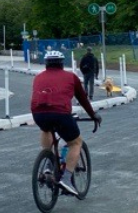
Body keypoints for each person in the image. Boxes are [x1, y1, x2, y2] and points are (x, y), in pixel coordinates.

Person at [32, 50, 101, 196]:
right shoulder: (70, 77)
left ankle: (48, 162)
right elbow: (82, 99)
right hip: (61, 113)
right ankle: (67, 179)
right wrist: (93, 115)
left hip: (38, 113)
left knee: (46, 129)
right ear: (62, 63)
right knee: (76, 143)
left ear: (46, 64)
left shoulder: (38, 77)